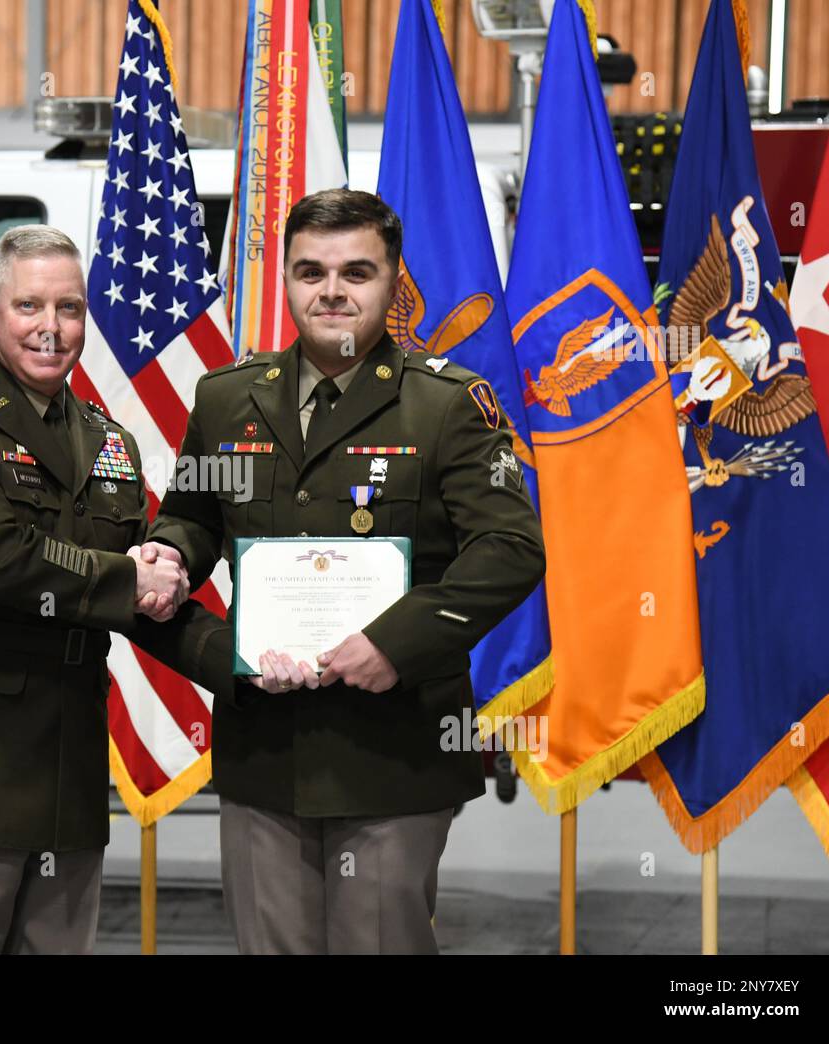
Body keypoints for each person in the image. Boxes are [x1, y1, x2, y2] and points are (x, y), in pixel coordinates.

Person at [140, 189, 547, 953]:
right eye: (311, 271)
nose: (332, 291)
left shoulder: (449, 405)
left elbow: (510, 548)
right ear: (288, 282)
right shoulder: (227, 400)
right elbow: (192, 516)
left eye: (356, 272)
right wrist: (168, 555)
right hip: (265, 746)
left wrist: (395, 641)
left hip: (394, 756)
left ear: (393, 282)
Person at [0, 225, 226, 954]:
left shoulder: (108, 439)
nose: (51, 328)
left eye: (69, 309)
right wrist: (134, 577)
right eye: (30, 306)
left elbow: (137, 584)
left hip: (68, 763)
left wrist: (241, 664)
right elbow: (2, 562)